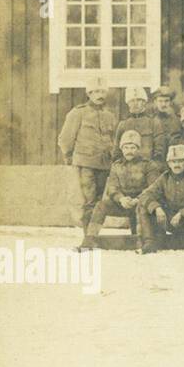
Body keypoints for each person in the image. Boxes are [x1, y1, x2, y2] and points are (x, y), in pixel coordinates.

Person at [58, 78, 118, 244]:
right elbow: (65, 139)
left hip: (105, 165)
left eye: (102, 92)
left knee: (100, 202)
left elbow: (113, 140)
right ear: (89, 94)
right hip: (86, 165)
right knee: (88, 201)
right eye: (96, 92)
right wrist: (70, 157)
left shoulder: (109, 116)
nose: (100, 95)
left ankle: (94, 236)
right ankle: (88, 238)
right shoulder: (78, 113)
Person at [84, 129, 155, 250]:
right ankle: (90, 239)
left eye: (133, 148)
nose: (129, 151)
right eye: (126, 148)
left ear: (138, 149)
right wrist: (121, 199)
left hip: (141, 203)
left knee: (141, 209)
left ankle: (140, 240)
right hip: (122, 203)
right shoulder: (116, 166)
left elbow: (153, 188)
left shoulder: (148, 165)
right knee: (101, 205)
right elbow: (112, 188)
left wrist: (138, 199)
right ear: (122, 149)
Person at [137, 144, 184, 254]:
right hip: (168, 220)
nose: (177, 165)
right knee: (145, 207)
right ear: (169, 164)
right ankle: (149, 243)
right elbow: (145, 195)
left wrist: (183, 212)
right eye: (173, 162)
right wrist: (157, 208)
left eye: (180, 161)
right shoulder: (164, 178)